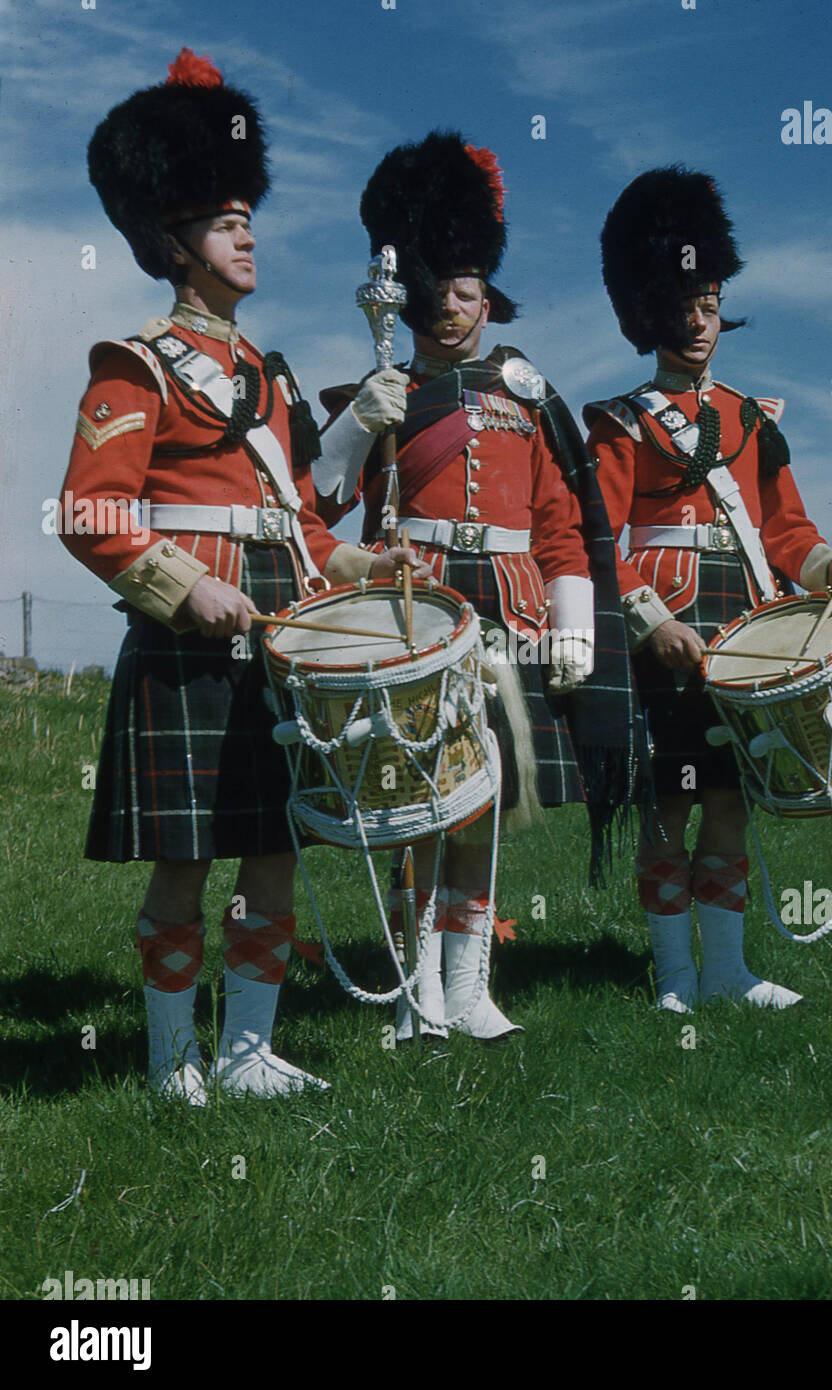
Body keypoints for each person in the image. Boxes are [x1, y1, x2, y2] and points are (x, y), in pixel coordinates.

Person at [61, 49, 424, 1102]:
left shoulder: (268, 374)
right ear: (172, 242)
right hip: (188, 640)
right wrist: (183, 587)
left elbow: (302, 519)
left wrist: (364, 560)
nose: (249, 233)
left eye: (247, 218)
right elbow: (91, 513)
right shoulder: (133, 366)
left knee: (273, 849)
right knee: (188, 859)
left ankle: (246, 1050)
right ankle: (172, 1057)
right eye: (226, 222)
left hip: (277, 625)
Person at [314, 131, 641, 1041]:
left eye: (468, 292)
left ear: (489, 293)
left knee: (481, 795)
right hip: (412, 603)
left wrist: (573, 622)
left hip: (505, 612)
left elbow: (560, 525)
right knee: (422, 795)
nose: (453, 310)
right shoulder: (377, 390)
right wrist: (353, 426)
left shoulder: (527, 396)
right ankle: (418, 990)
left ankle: (470, 987)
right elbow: (313, 498)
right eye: (436, 294)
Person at [585, 167, 832, 1013]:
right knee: (670, 810)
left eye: (709, 304)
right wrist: (649, 622)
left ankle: (727, 973)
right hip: (670, 632)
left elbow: (785, 528)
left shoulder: (753, 419)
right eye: (682, 308)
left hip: (744, 628)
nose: (699, 324)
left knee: (732, 805)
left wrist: (829, 571)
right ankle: (673, 975)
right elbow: (600, 542)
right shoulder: (621, 422)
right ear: (649, 315)